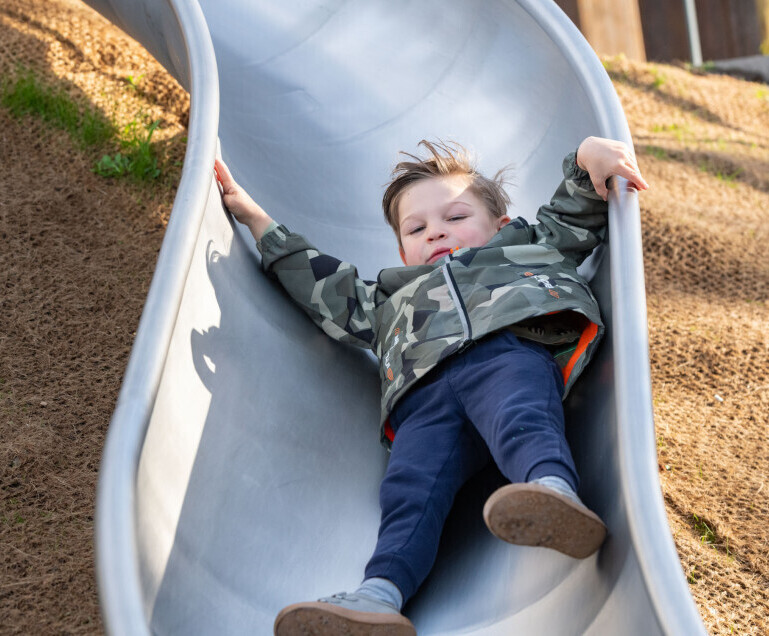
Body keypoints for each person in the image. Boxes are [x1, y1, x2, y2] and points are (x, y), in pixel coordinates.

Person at [214, 136, 648, 636]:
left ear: (500, 226)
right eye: (417, 228)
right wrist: (254, 220)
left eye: (456, 218)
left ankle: (553, 492)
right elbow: (326, 288)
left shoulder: (525, 246)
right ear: (402, 250)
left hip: (505, 353)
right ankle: (380, 594)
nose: (437, 233)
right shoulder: (387, 299)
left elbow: (571, 215)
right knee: (408, 490)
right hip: (424, 400)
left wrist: (586, 154)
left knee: (520, 413)